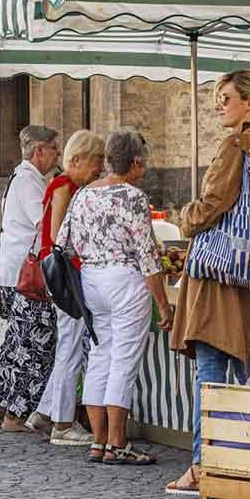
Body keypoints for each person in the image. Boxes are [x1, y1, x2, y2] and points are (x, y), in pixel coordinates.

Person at [166, 70, 250, 495]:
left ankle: (204, 466)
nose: (219, 105)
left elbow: (213, 203)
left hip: (218, 275)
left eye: (226, 98)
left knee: (210, 372)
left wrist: (186, 218)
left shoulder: (238, 144)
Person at [63, 129, 172, 465]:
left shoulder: (83, 194)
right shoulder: (133, 197)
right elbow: (147, 256)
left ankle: (99, 442)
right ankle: (118, 441)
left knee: (100, 356)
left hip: (92, 279)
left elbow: (64, 241)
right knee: (123, 360)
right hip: (125, 280)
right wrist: (163, 304)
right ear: (136, 163)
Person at [27, 130, 106, 445]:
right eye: (96, 161)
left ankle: (45, 413)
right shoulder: (65, 187)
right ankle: (62, 424)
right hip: (65, 275)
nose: (99, 168)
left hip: (63, 273)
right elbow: (59, 237)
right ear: (78, 159)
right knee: (70, 347)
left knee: (68, 344)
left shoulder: (67, 186)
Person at [0, 124, 61, 432]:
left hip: (11, 271)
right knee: (34, 347)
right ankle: (15, 415)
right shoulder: (29, 181)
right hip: (26, 276)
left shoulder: (20, 178)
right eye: (54, 148)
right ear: (39, 150)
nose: (58, 154)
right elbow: (45, 223)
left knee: (15, 343)